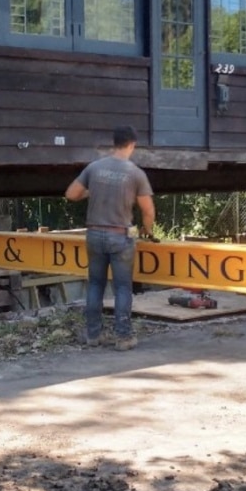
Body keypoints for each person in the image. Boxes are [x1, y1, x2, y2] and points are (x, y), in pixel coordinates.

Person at [65, 125, 155, 350]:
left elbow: (71, 194)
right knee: (122, 287)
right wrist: (148, 230)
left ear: (113, 143)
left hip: (94, 234)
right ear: (132, 144)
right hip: (120, 237)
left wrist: (92, 192)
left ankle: (93, 335)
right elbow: (148, 211)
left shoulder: (94, 167)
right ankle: (123, 337)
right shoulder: (135, 173)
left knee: (95, 284)